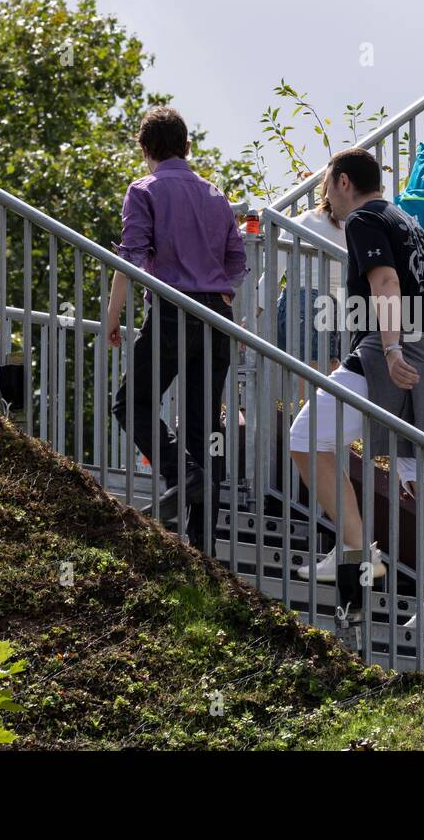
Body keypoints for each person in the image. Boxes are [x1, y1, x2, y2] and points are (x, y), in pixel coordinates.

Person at [289, 148, 424, 632]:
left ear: (344, 182)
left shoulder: (364, 220)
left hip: (392, 351)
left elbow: (386, 281)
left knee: (305, 438)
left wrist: (391, 351)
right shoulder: (405, 219)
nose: (326, 197)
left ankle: (355, 546)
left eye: (328, 185)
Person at [105, 107, 246, 555]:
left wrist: (113, 316)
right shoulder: (214, 195)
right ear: (188, 146)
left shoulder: (143, 189)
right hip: (215, 317)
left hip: (171, 311)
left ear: (145, 150)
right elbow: (237, 262)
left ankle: (180, 472)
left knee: (130, 403)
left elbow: (130, 256)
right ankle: (203, 542)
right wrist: (219, 296)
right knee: (207, 425)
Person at [257, 175, 345, 365]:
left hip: (290, 305)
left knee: (300, 382)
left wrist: (251, 316)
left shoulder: (298, 221)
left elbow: (272, 273)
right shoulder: (355, 225)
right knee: (320, 381)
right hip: (322, 307)